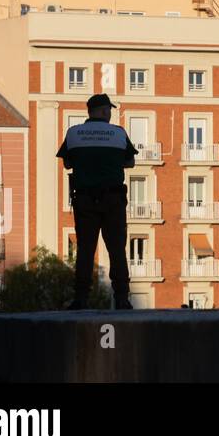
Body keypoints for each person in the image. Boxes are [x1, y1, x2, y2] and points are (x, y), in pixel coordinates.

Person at [56, 94, 136, 310]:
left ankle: (81, 298)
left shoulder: (73, 133)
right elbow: (130, 162)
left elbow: (67, 163)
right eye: (108, 110)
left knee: (85, 250)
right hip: (113, 201)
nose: (110, 113)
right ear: (102, 111)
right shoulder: (118, 133)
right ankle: (121, 297)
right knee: (117, 249)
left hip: (85, 201)